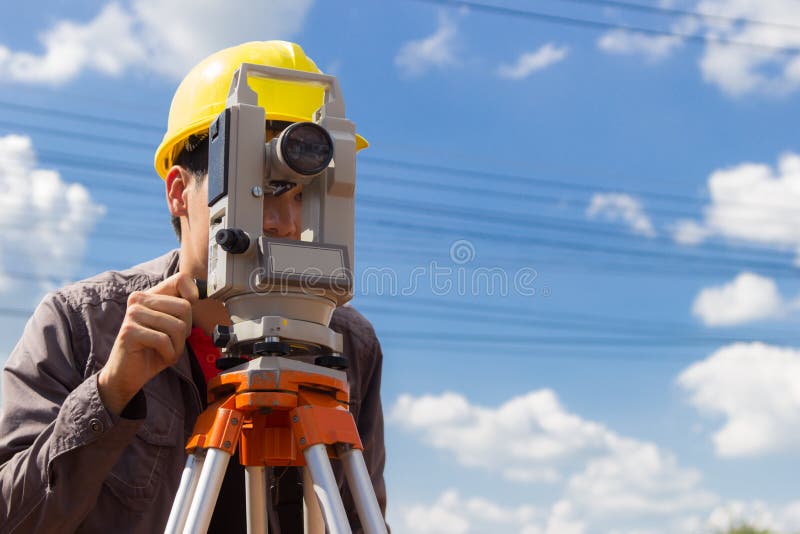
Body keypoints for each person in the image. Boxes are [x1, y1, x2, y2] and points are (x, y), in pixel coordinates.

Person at [0, 41, 386, 533]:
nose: (286, 222)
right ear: (180, 192)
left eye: (302, 194)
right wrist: (109, 394)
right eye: (263, 187)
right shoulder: (80, 324)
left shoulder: (350, 345)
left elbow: (361, 517)